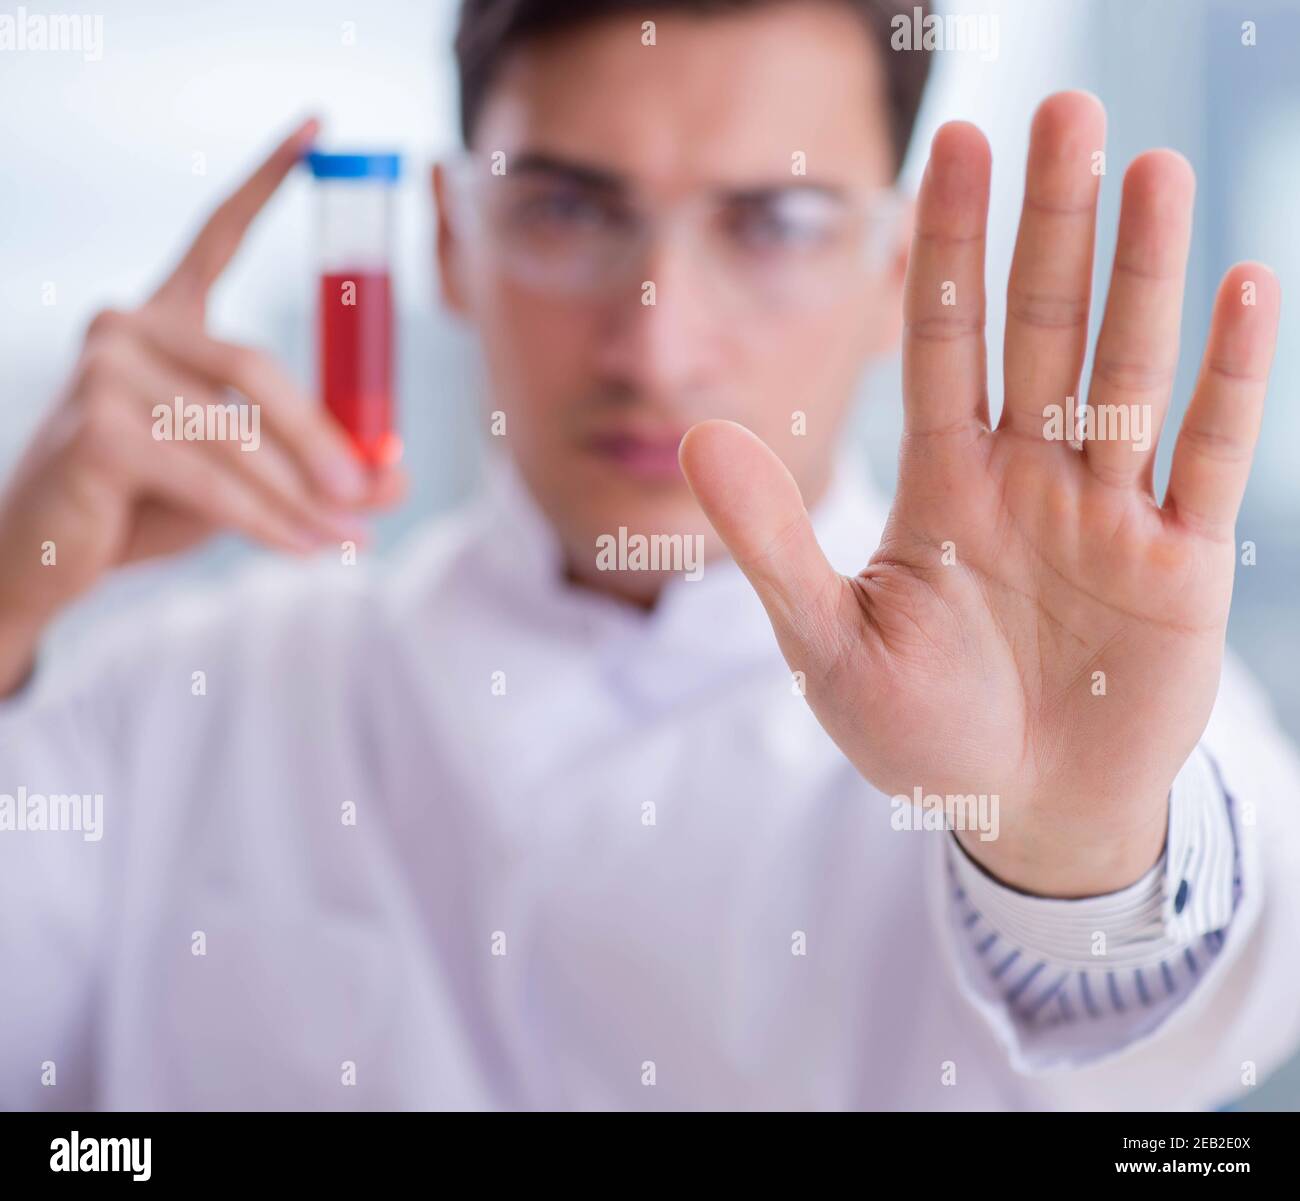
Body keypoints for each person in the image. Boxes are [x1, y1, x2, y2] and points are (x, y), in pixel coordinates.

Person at [1, 0, 1297, 1111]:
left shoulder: (1081, 694)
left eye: (774, 221)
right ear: (451, 238)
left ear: (895, 272)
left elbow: (1211, 988)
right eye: (566, 207)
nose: (656, 343)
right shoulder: (174, 699)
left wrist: (1069, 852)